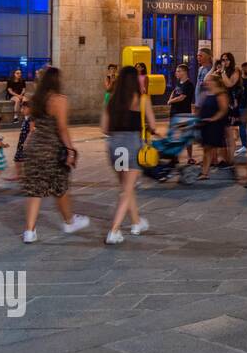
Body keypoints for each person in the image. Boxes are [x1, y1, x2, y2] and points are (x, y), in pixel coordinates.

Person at [18, 68, 89, 243]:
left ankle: (29, 231)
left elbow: (33, 126)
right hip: (52, 149)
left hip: (34, 148)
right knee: (60, 187)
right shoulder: (60, 100)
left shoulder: (35, 100)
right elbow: (62, 129)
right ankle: (69, 221)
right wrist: (71, 150)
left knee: (34, 190)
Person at [102, 65, 158, 245]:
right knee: (126, 190)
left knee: (126, 187)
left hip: (115, 145)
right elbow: (153, 125)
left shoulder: (111, 100)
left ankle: (136, 223)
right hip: (132, 144)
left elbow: (103, 128)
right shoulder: (142, 99)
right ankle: (114, 230)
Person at [197, 73, 233, 180]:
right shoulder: (206, 93)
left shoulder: (220, 94)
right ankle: (205, 171)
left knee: (210, 149)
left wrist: (213, 119)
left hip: (215, 125)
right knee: (207, 149)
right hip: (205, 125)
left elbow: (223, 110)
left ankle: (205, 173)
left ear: (215, 82)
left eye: (209, 80)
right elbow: (200, 107)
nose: (206, 82)